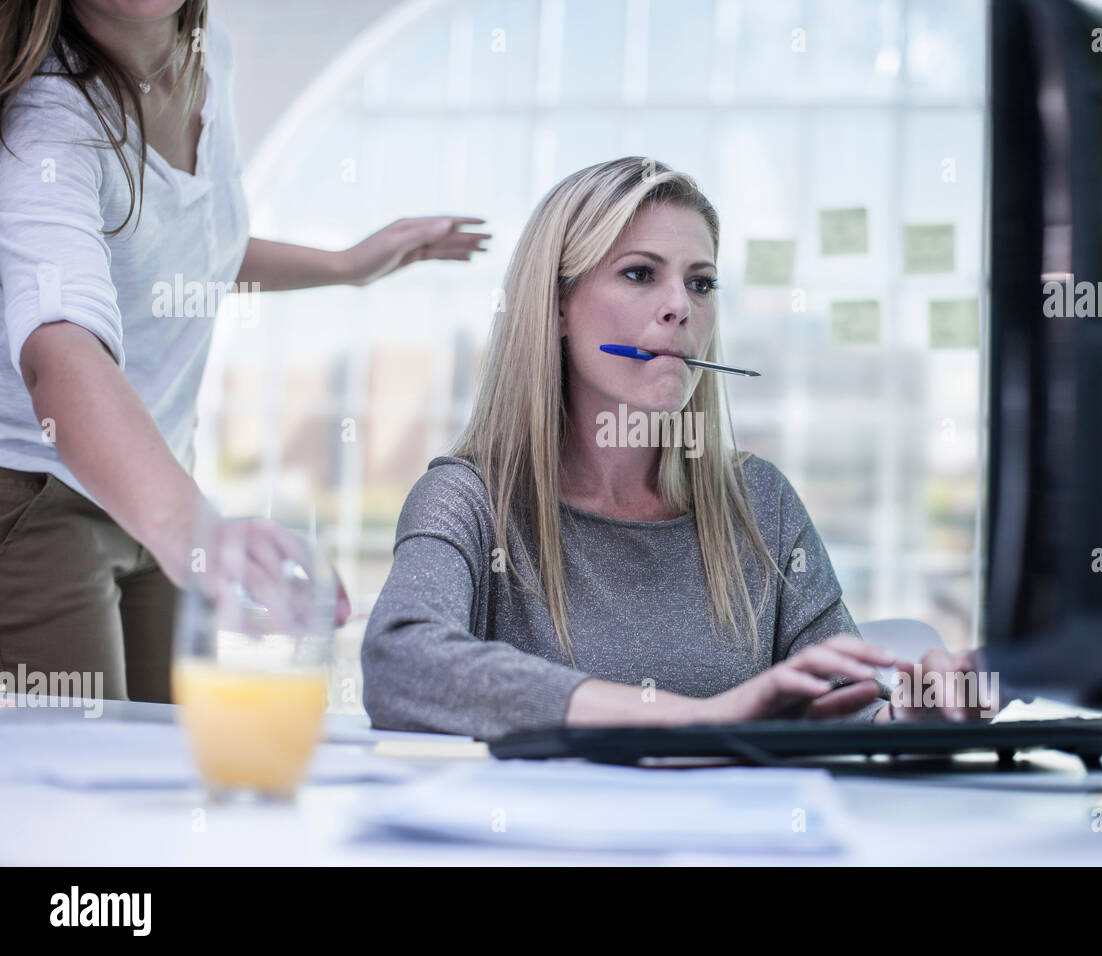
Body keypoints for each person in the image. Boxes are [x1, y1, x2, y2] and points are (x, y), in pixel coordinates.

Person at [361, 156, 989, 740]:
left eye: (702, 283)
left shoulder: (759, 504)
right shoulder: (468, 500)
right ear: (555, 306)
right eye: (640, 274)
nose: (679, 307)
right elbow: (401, 662)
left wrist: (913, 716)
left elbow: (844, 707)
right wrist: (697, 719)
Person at [0, 0, 489, 702]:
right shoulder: (53, 126)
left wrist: (348, 265)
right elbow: (58, 349)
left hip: (158, 477)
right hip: (41, 491)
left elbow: (182, 262)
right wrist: (191, 528)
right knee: (84, 776)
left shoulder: (208, 56)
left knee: (164, 767)